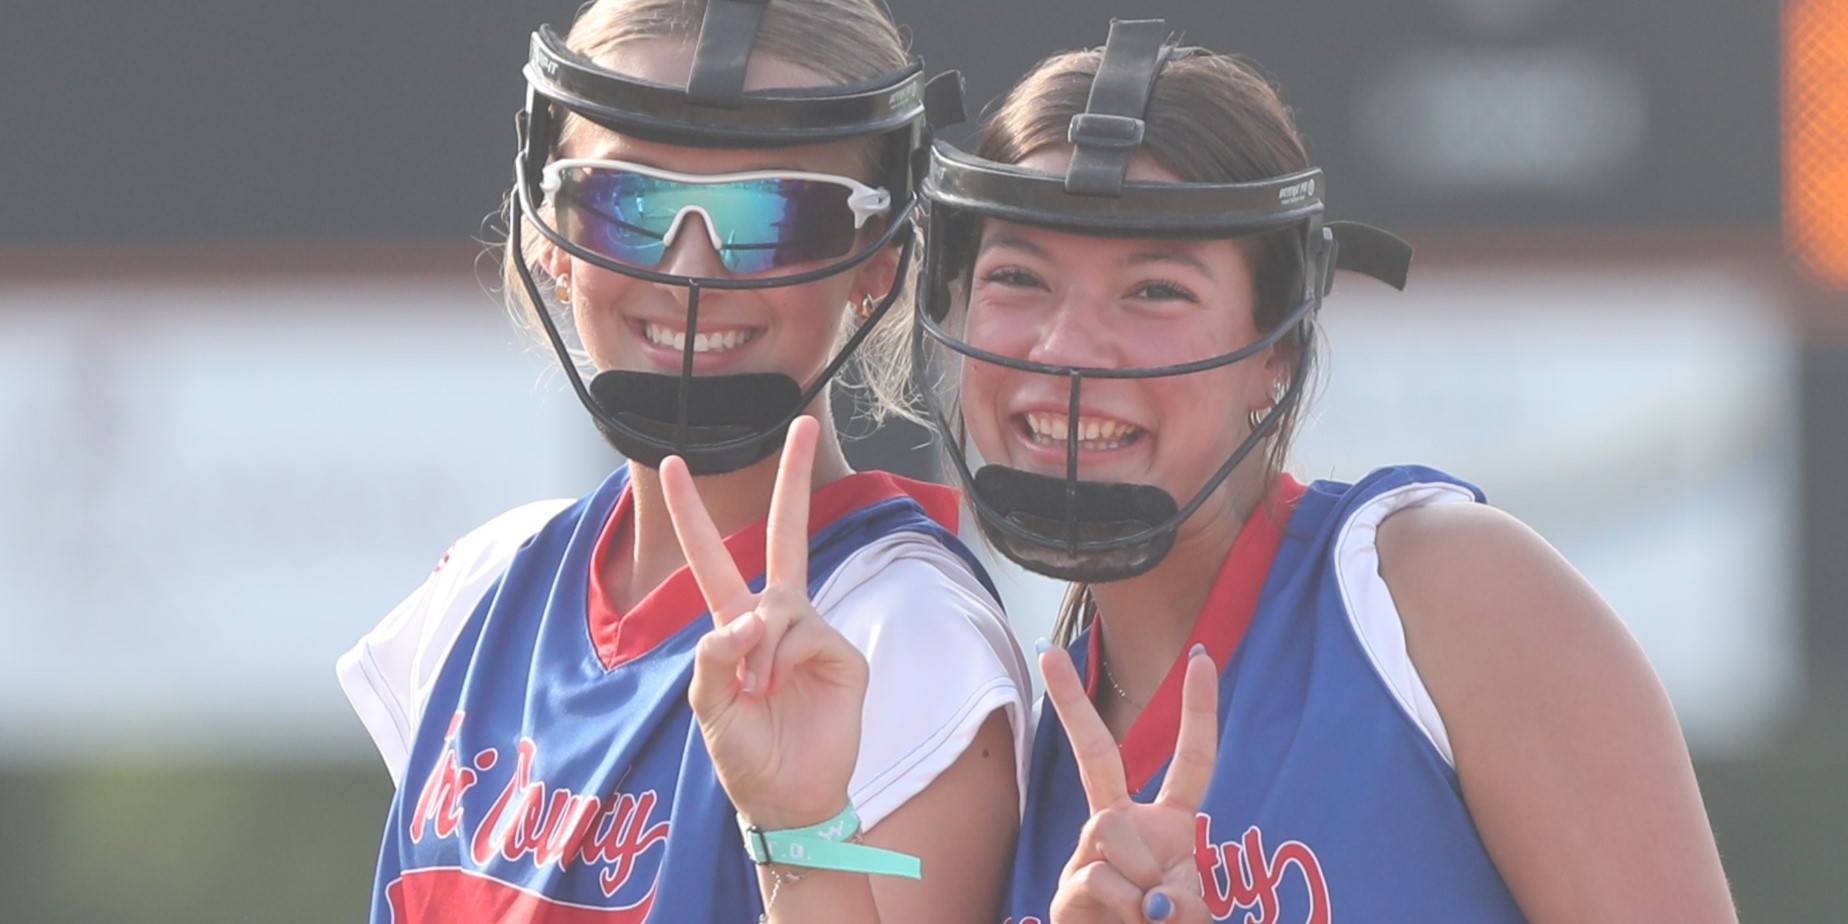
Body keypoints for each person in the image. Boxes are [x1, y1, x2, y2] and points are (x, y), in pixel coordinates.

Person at [911, 19, 1739, 923]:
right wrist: (791, 826)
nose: (1067, 346)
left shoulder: (1434, 597)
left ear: (1277, 352)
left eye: (1156, 290)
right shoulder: (1008, 767)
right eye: (1018, 277)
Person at [335, 2, 1030, 921]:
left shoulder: (903, 637)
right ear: (551, 227)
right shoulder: (482, 587)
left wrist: (796, 830)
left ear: (877, 254)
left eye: (772, 213)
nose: (691, 265)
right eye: (629, 201)